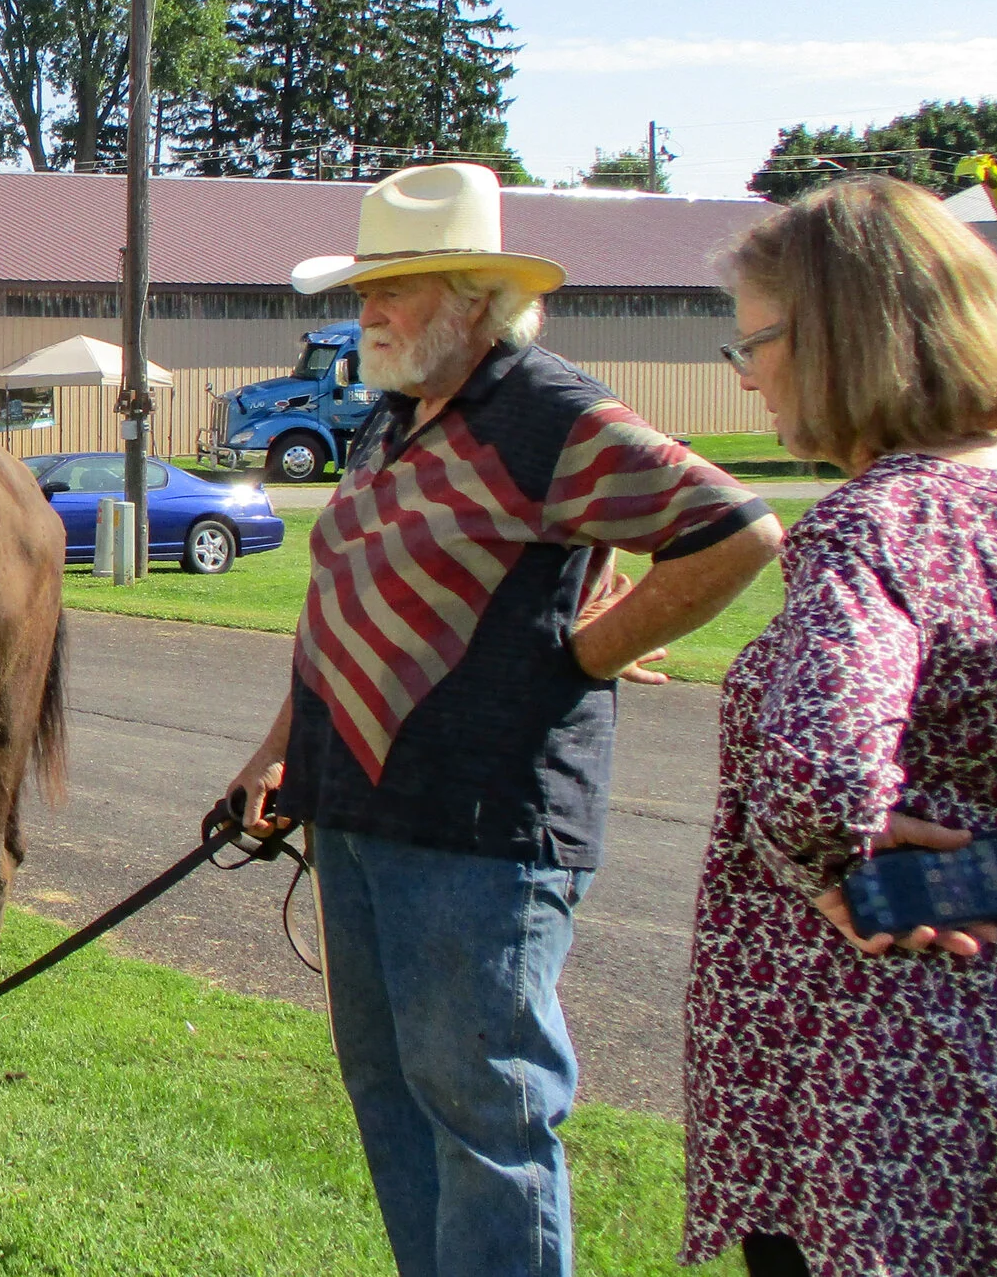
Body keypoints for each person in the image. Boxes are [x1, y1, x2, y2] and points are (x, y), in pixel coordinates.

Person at [220, 163, 783, 1276]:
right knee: (389, 1094)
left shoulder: (546, 413)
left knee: (486, 1116)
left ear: (474, 297)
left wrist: (582, 652)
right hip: (359, 810)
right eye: (366, 288)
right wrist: (276, 750)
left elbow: (734, 530)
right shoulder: (391, 417)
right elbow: (345, 597)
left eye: (396, 287)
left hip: (483, 832)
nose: (366, 310)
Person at [680, 176, 997, 1277]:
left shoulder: (878, 525)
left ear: (834, 339)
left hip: (881, 1071)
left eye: (753, 341)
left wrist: (831, 868)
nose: (747, 373)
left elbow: (816, 765)